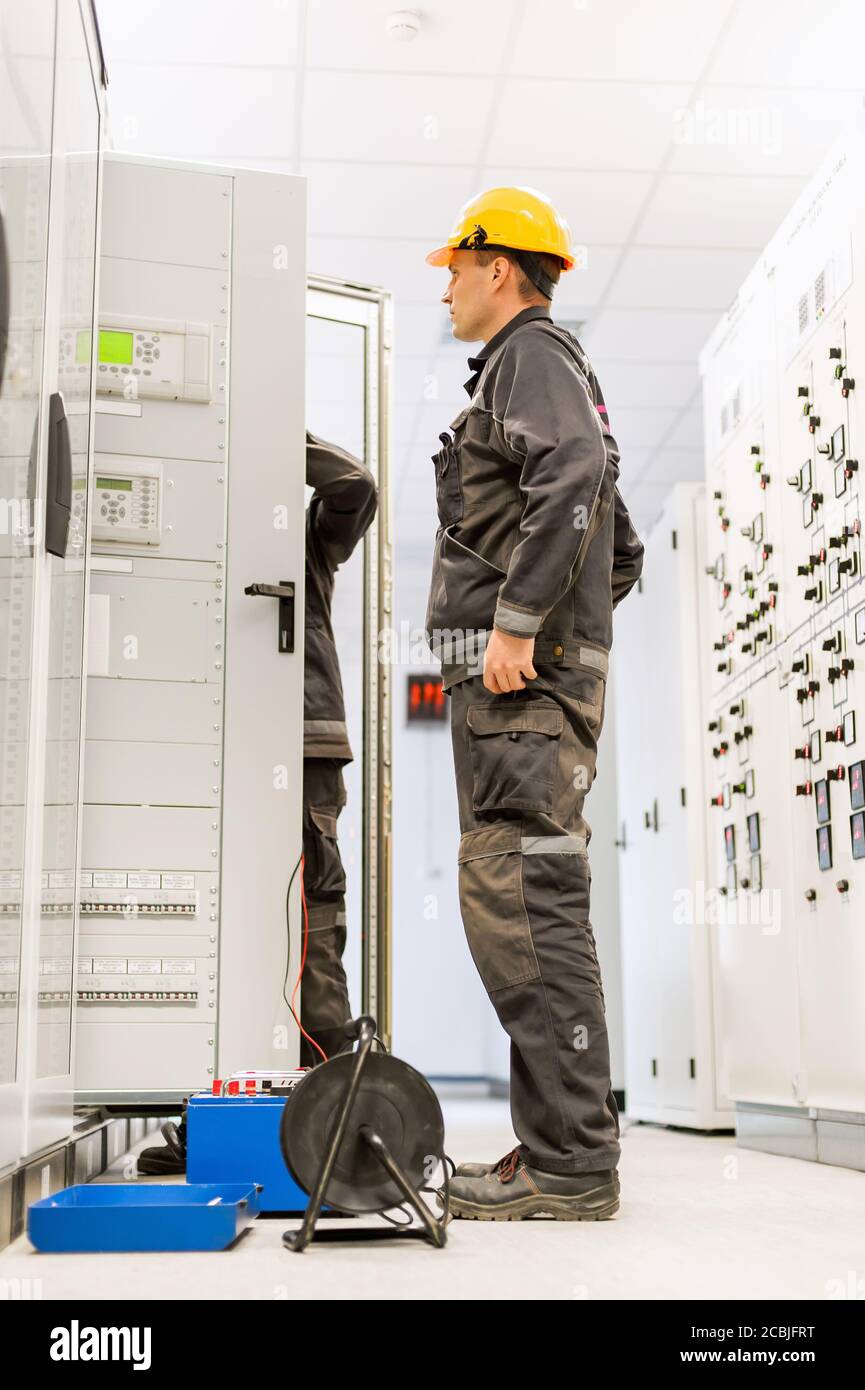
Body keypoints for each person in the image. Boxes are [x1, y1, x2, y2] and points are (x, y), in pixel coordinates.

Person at [424, 187, 644, 1221]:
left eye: (455, 269)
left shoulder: (529, 357)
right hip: (530, 682)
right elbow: (622, 544)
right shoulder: (547, 371)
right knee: (526, 903)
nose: (448, 287)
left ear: (499, 267)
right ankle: (558, 1147)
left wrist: (523, 627)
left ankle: (570, 1166)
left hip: (520, 684)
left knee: (528, 906)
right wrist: (566, 632)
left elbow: (581, 472)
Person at [299, 431, 377, 1067]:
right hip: (222, 747)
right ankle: (226, 1103)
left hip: (305, 744)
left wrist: (273, 434)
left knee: (314, 914)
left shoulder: (312, 536)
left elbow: (354, 485)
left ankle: (328, 1096)